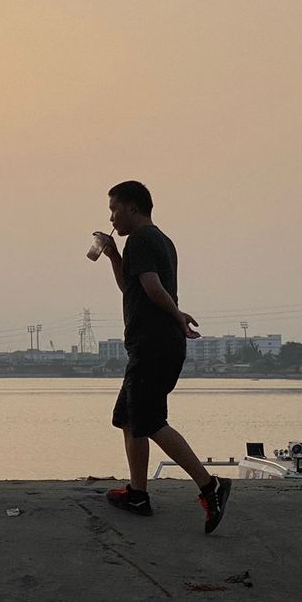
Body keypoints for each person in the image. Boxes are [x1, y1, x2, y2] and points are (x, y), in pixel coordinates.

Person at [93, 180, 232, 534]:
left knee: (151, 421)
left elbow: (153, 288)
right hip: (152, 345)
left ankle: (209, 486)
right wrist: (112, 255)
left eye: (115, 209)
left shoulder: (141, 239)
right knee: (128, 417)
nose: (112, 217)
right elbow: (133, 286)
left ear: (133, 208)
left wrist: (177, 317)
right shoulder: (160, 241)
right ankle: (138, 493)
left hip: (154, 345)